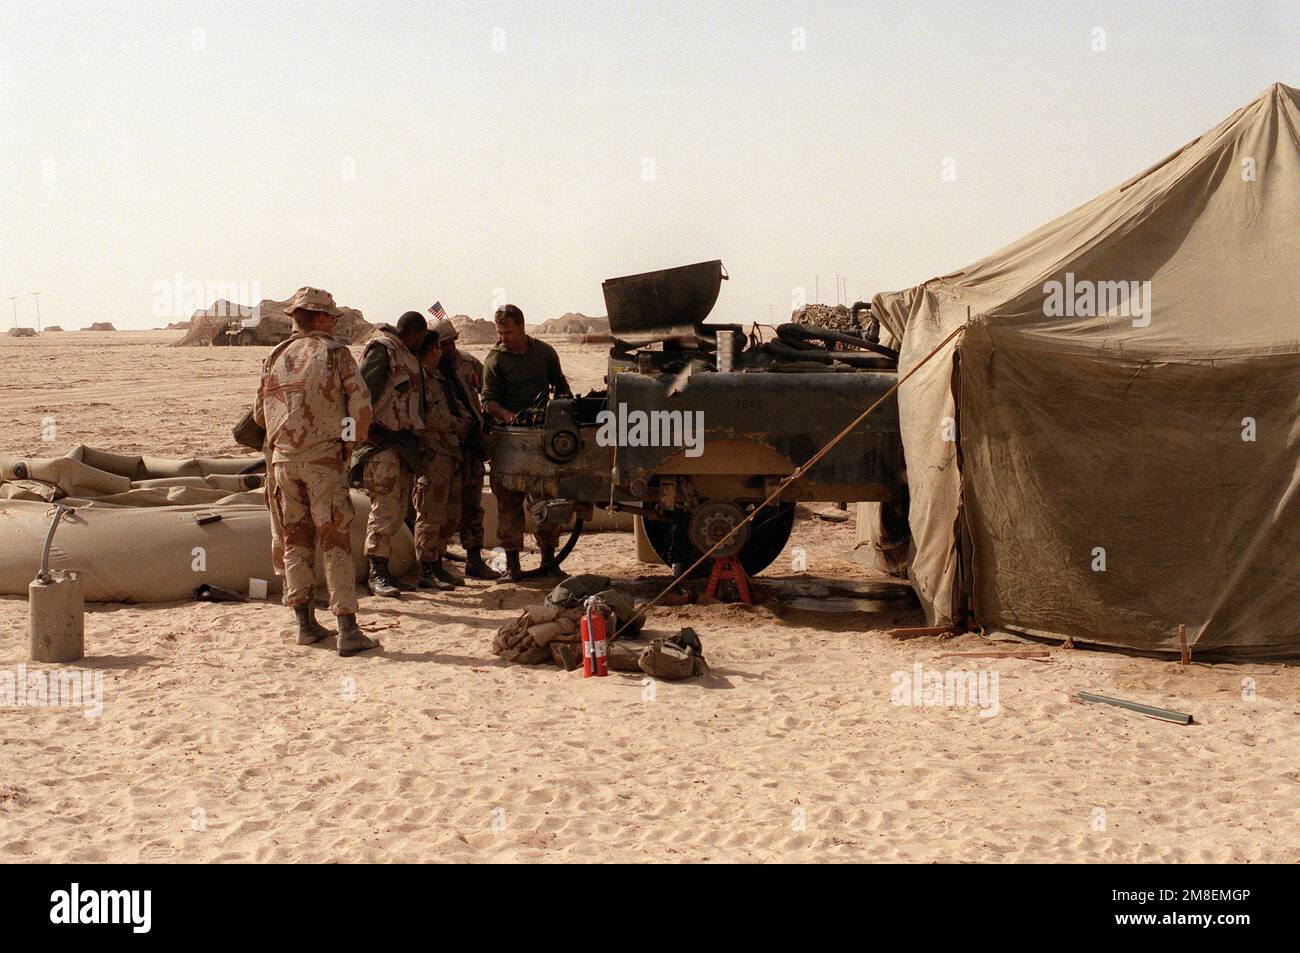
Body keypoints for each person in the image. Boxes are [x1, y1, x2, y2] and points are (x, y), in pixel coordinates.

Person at [253, 286, 379, 656]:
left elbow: (260, 415)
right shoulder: (335, 354)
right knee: (335, 541)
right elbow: (361, 407)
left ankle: (306, 625)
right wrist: (347, 444)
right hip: (322, 463)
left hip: (281, 463)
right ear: (321, 317)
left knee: (294, 541)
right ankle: (347, 629)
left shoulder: (274, 356)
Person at [481, 304, 572, 581]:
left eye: (508, 332)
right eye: (500, 332)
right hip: (509, 441)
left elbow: (561, 386)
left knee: (547, 500)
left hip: (541, 440)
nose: (503, 337)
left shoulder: (544, 353)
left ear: (521, 327)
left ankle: (549, 562)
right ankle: (513, 566)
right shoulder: (495, 360)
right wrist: (510, 417)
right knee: (508, 504)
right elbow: (488, 402)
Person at [351, 310, 426, 598]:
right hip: (382, 445)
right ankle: (376, 573)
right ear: (413, 333)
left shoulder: (404, 354)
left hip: (402, 444)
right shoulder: (383, 351)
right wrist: (366, 430)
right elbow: (361, 392)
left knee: (397, 511)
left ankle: (387, 570)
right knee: (383, 510)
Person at [435, 318, 499, 580]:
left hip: (470, 445)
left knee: (472, 506)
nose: (448, 348)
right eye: (443, 344)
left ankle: (474, 558)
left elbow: (487, 391)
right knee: (440, 510)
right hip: (441, 448)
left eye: (451, 342)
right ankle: (434, 564)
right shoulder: (424, 369)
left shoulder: (467, 362)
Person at [412, 325, 469, 589]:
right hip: (432, 454)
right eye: (438, 347)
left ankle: (437, 563)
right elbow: (431, 416)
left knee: (449, 513)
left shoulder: (436, 377)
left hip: (448, 452)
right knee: (430, 513)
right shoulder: (419, 378)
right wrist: (457, 424)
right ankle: (425, 567)